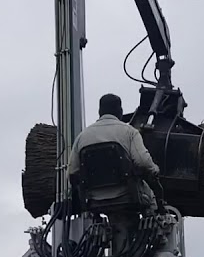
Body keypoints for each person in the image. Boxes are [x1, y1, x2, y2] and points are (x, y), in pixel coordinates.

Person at [68, 94, 162, 246]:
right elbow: (143, 162)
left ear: (99, 111)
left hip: (95, 200)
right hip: (127, 195)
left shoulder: (82, 137)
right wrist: (155, 170)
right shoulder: (129, 132)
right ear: (120, 111)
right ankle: (154, 236)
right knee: (151, 198)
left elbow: (72, 172)